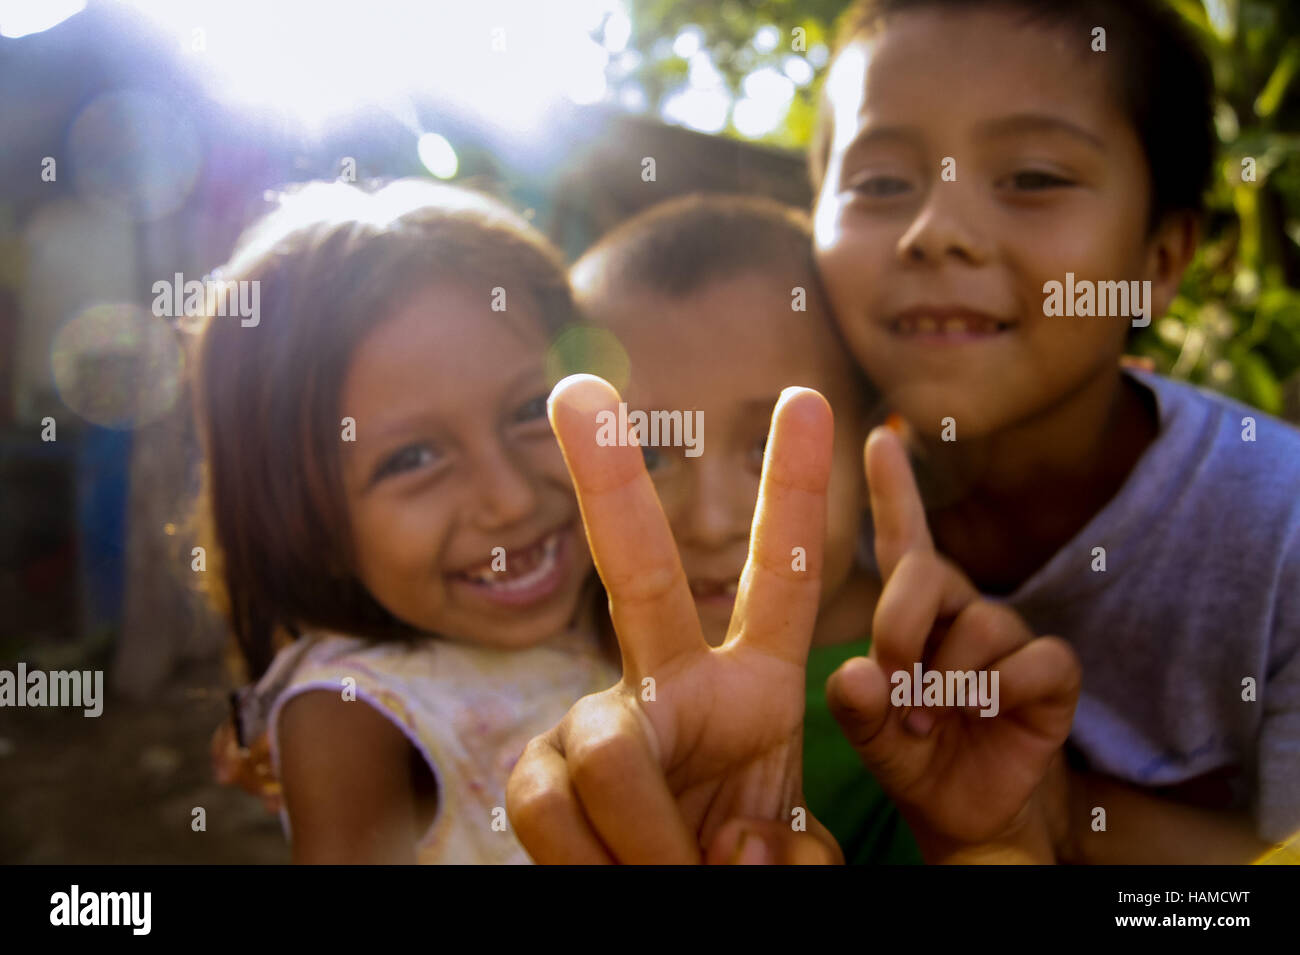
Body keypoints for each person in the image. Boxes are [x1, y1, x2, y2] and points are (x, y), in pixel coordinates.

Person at [809, 0, 1300, 860]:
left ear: (1160, 262)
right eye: (881, 183)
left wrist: (1051, 817)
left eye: (1033, 177)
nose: (937, 233)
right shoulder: (787, 509)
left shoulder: (1282, 536)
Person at [192, 180, 618, 863]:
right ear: (304, 523)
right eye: (412, 457)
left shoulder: (624, 607)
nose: (508, 498)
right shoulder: (353, 712)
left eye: (531, 410)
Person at [568, 193, 920, 863]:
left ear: (879, 442)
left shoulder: (930, 686)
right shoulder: (569, 643)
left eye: (768, 447)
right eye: (649, 454)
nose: (710, 519)